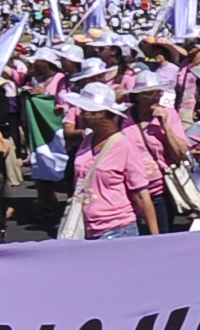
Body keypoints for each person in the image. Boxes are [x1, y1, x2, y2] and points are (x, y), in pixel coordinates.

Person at [63, 81, 164, 241]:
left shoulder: (125, 146)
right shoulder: (87, 141)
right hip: (87, 228)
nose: (81, 115)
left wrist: (155, 239)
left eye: (85, 111)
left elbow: (141, 194)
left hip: (118, 229)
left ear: (101, 113)